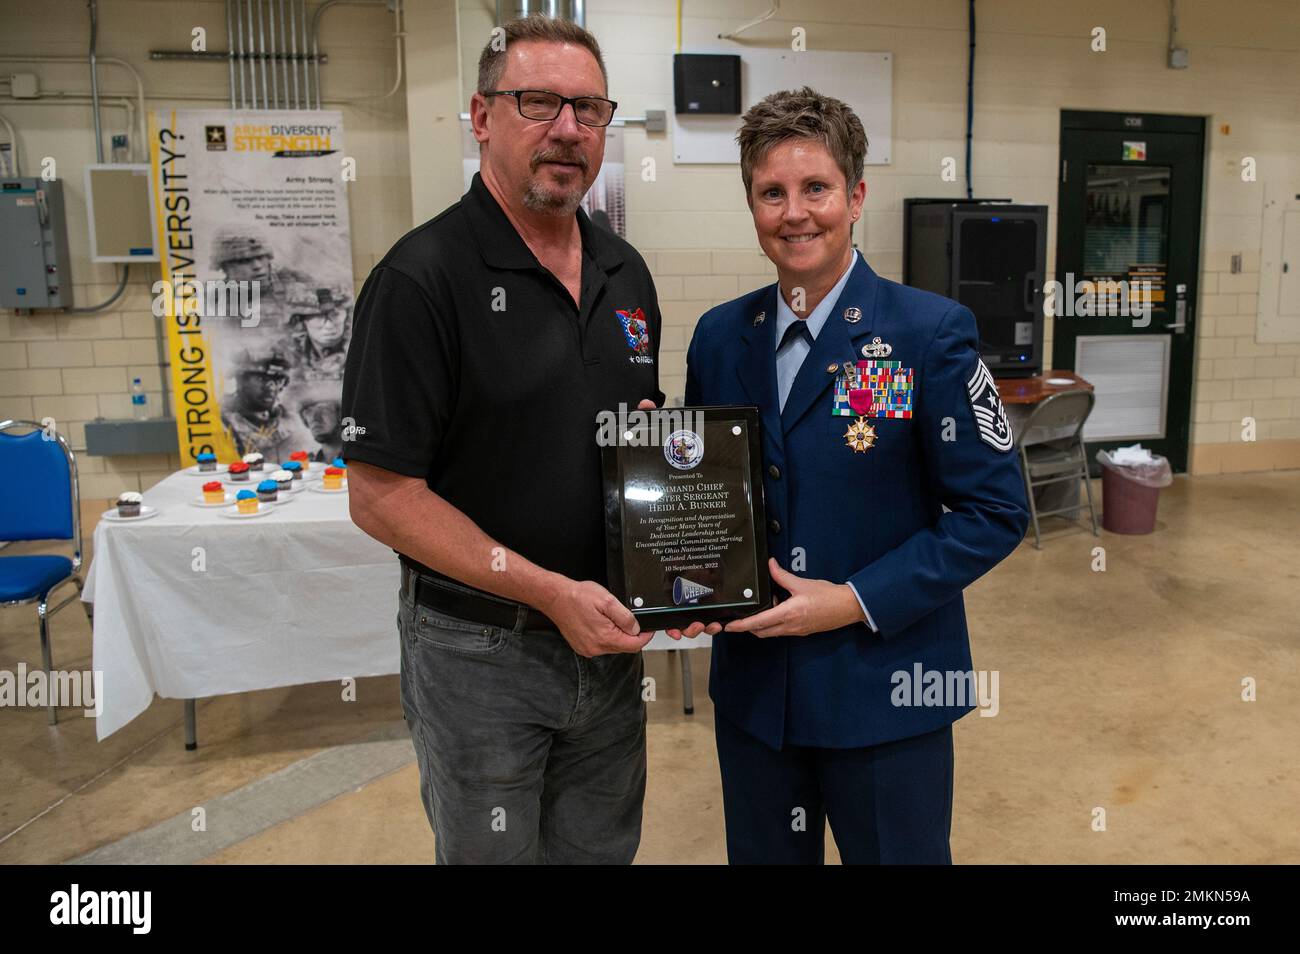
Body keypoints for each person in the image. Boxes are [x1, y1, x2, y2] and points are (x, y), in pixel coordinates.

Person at [341, 14, 664, 864]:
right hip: (479, 654)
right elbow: (380, 496)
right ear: (482, 118)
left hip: (609, 641)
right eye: (538, 102)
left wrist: (681, 570)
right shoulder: (421, 279)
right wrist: (547, 591)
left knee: (599, 853)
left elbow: (634, 434)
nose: (567, 129)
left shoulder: (625, 270)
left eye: (589, 109)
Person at [682, 87, 1029, 864]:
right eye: (772, 192)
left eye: (817, 189)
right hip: (756, 699)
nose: (795, 212)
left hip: (887, 694)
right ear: (751, 203)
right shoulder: (718, 338)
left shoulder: (928, 334)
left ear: (857, 196)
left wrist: (852, 602)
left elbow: (995, 510)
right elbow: (706, 496)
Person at [220, 346, 301, 461]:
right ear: (241, 381)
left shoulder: (292, 422)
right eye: (261, 379)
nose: (271, 387)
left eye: (277, 380)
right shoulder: (220, 423)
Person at [279, 285, 351, 382]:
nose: (329, 325)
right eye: (318, 316)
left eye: (335, 314)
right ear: (302, 321)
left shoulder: (363, 346)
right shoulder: (287, 352)